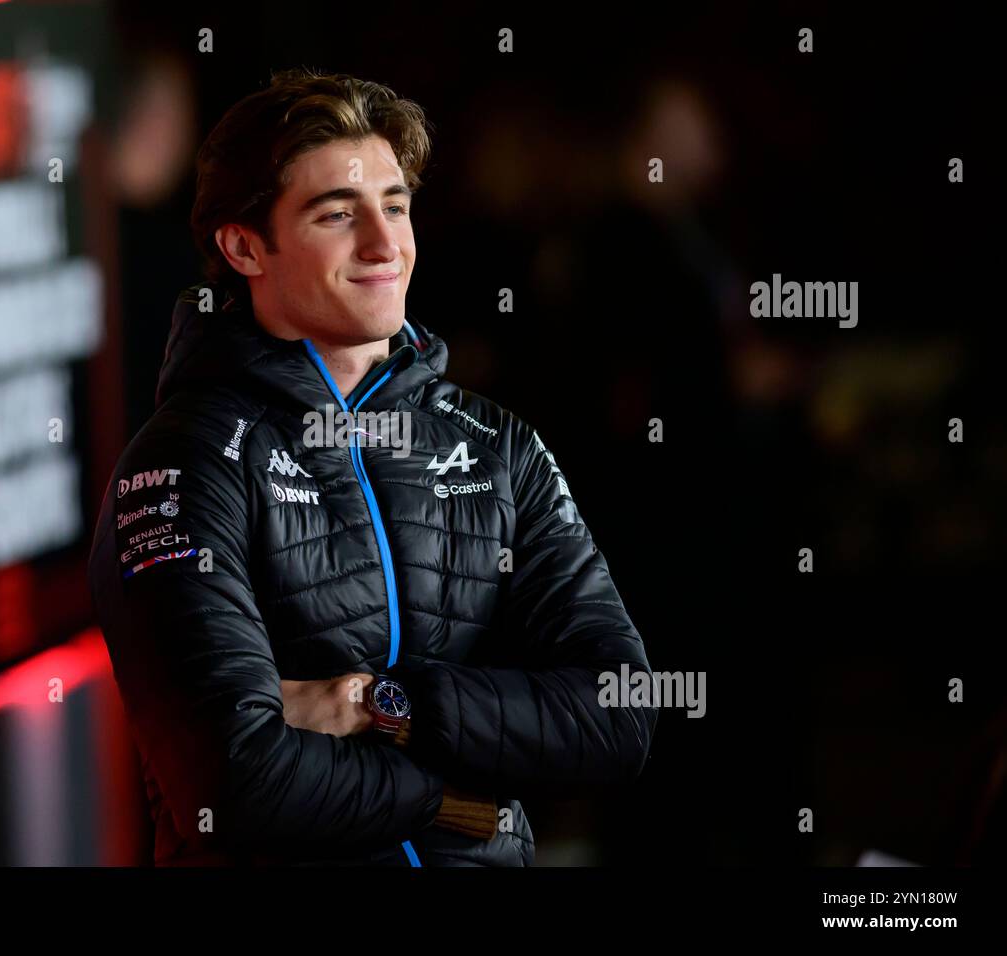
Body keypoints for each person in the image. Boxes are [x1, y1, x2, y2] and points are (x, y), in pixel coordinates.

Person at [88, 67, 657, 866]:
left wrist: (382, 704)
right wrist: (459, 801)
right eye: (337, 214)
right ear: (244, 245)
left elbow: (620, 716)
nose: (385, 244)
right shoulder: (183, 464)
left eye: (395, 205)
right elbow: (234, 785)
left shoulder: (498, 446)